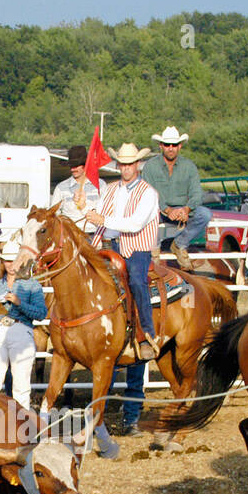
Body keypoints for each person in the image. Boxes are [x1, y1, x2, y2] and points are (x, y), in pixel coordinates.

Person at [85, 142, 160, 364]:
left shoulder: (148, 192)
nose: (126, 168)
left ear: (137, 165)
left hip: (136, 246)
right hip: (109, 243)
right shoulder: (110, 189)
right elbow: (97, 213)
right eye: (123, 164)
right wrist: (85, 210)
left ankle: (146, 333)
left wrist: (103, 220)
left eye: (130, 164)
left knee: (137, 281)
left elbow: (135, 224)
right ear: (118, 165)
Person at [0, 238, 46, 410]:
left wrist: (20, 303)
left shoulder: (31, 285)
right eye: (8, 260)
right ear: (3, 262)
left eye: (15, 260)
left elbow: (41, 313)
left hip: (21, 330)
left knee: (21, 385)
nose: (12, 265)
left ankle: (22, 429)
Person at [140, 126, 209, 269]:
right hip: (157, 209)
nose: (170, 148)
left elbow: (197, 193)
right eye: (167, 145)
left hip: (182, 209)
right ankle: (154, 249)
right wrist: (166, 209)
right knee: (146, 213)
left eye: (174, 145)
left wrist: (186, 209)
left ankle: (179, 244)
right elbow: (148, 194)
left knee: (205, 214)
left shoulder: (189, 167)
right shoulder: (150, 167)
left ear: (180, 146)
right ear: (161, 146)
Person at [51, 144, 100, 234]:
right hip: (70, 236)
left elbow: (106, 214)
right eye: (71, 166)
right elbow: (53, 214)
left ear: (85, 165)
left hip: (94, 235)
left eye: (76, 165)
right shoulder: (61, 188)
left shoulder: (100, 186)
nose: (73, 169)